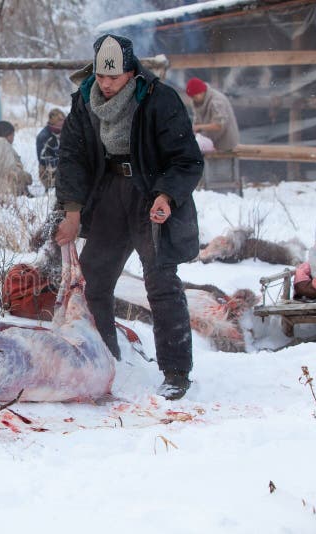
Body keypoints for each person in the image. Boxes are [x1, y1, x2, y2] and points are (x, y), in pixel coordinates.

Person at [54, 34, 203, 400]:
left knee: (160, 280)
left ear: (131, 72)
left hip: (149, 192)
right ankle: (105, 357)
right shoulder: (83, 101)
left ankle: (175, 370)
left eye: (114, 78)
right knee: (93, 281)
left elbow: (187, 158)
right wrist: (72, 211)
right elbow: (71, 158)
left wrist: (166, 195)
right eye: (101, 77)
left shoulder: (158, 99)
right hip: (108, 192)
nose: (106, 84)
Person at [185, 77, 240, 152]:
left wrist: (198, 127)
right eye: (191, 97)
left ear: (201, 92)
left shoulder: (217, 101)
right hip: (209, 142)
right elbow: (197, 121)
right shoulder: (197, 102)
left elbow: (218, 125)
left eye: (194, 96)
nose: (193, 99)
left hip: (225, 144)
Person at [0, 121, 32, 197]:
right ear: (7, 134)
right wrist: (26, 177)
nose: (13, 138)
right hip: (1, 191)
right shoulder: (3, 145)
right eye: (12, 135)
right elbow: (11, 169)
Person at [36, 108, 65, 189]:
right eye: (59, 120)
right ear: (53, 121)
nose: (62, 122)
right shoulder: (44, 136)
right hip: (49, 171)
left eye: (63, 119)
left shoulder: (65, 131)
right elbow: (42, 159)